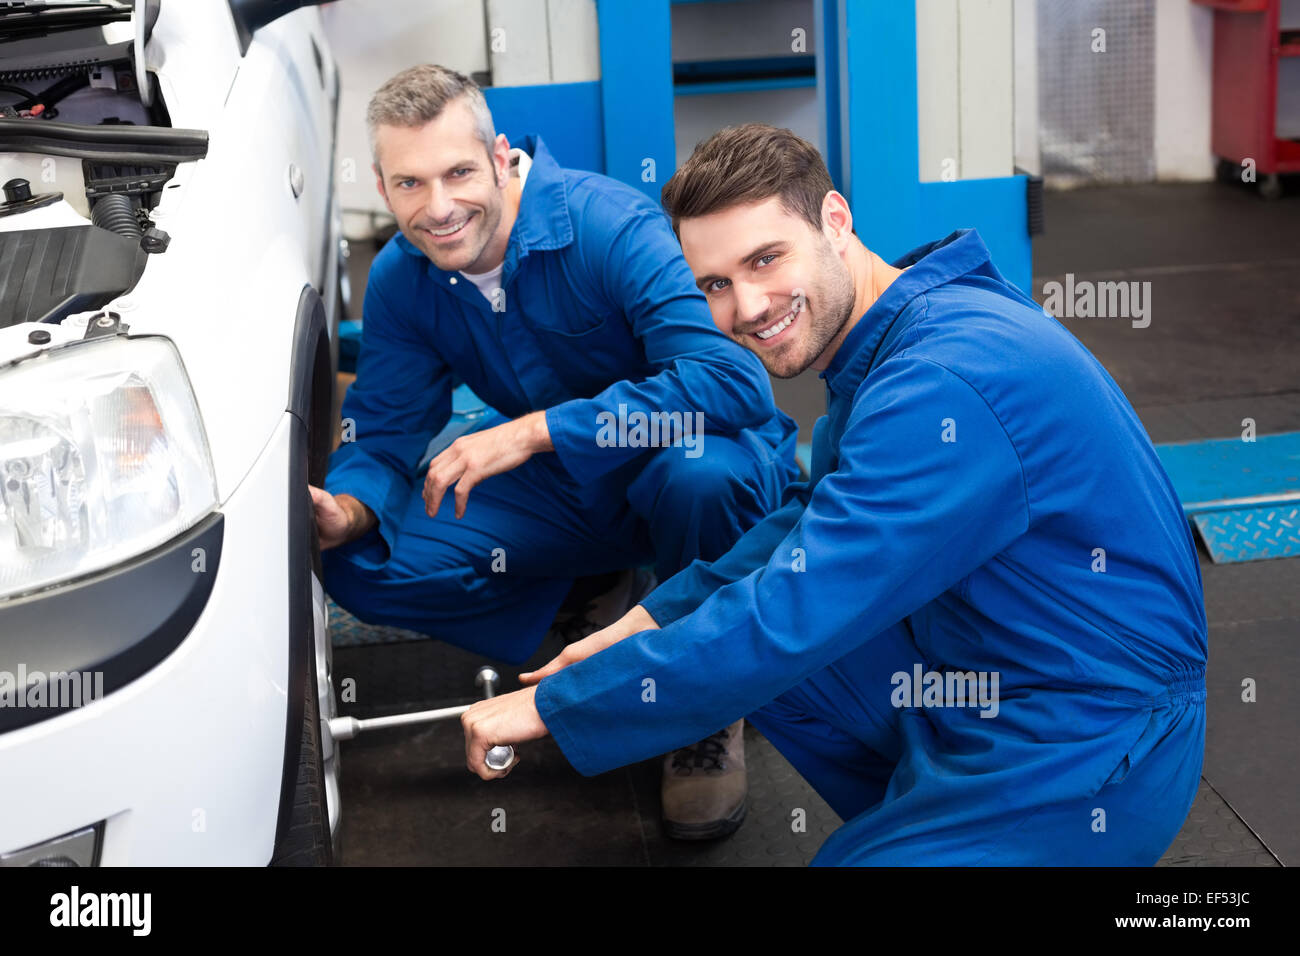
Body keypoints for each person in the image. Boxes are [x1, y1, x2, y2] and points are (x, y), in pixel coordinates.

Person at [461, 124, 1208, 865]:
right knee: (758, 660)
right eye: (715, 285)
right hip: (989, 673)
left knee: (780, 659)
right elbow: (809, 524)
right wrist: (646, 622)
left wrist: (550, 707)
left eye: (765, 258)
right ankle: (937, 828)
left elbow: (795, 610)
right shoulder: (895, 333)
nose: (746, 307)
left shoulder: (939, 384)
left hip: (1097, 734)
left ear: (835, 220)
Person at [311, 69, 800, 840]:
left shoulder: (610, 227)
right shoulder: (405, 280)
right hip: (574, 493)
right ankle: (593, 585)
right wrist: (348, 507)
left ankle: (710, 706)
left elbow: (731, 383)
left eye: (458, 173)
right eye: (410, 183)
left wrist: (537, 430)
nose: (437, 208)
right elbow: (383, 428)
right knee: (360, 562)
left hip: (690, 464)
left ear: (501, 159)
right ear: (381, 185)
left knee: (702, 476)